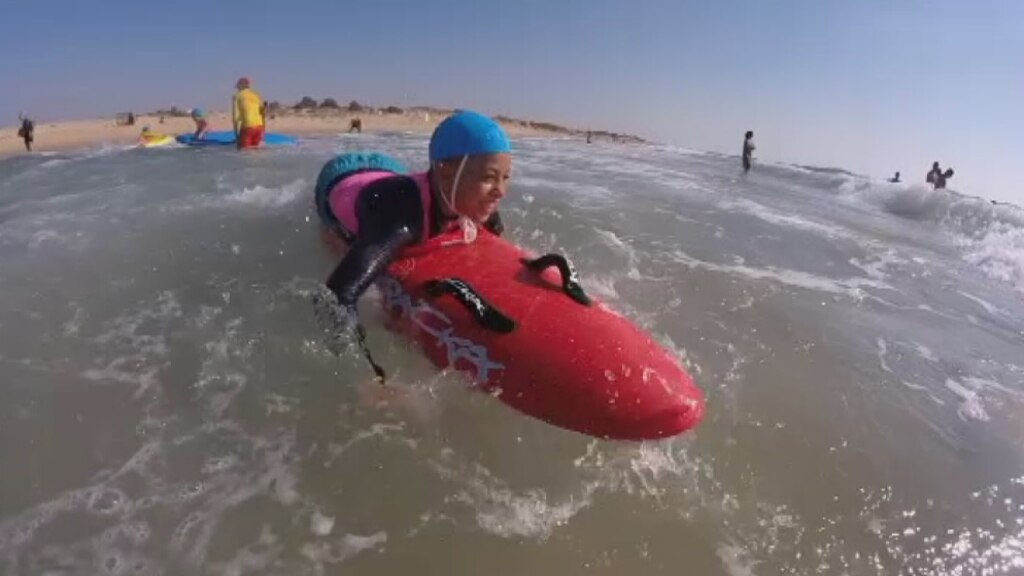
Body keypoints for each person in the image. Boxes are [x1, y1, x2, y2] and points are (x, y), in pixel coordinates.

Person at [313, 111, 512, 375]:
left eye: (506, 177)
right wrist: (369, 376)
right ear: (446, 172)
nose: (501, 191)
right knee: (344, 246)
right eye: (488, 178)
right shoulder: (401, 221)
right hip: (341, 176)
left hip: (388, 170)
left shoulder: (479, 208)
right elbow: (336, 294)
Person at [232, 77, 265, 149]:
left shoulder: (237, 96)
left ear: (240, 86)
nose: (237, 89)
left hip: (248, 126)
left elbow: (235, 118)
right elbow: (262, 113)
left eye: (238, 87)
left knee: (244, 152)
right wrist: (263, 131)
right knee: (257, 151)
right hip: (259, 126)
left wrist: (237, 136)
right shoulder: (256, 95)